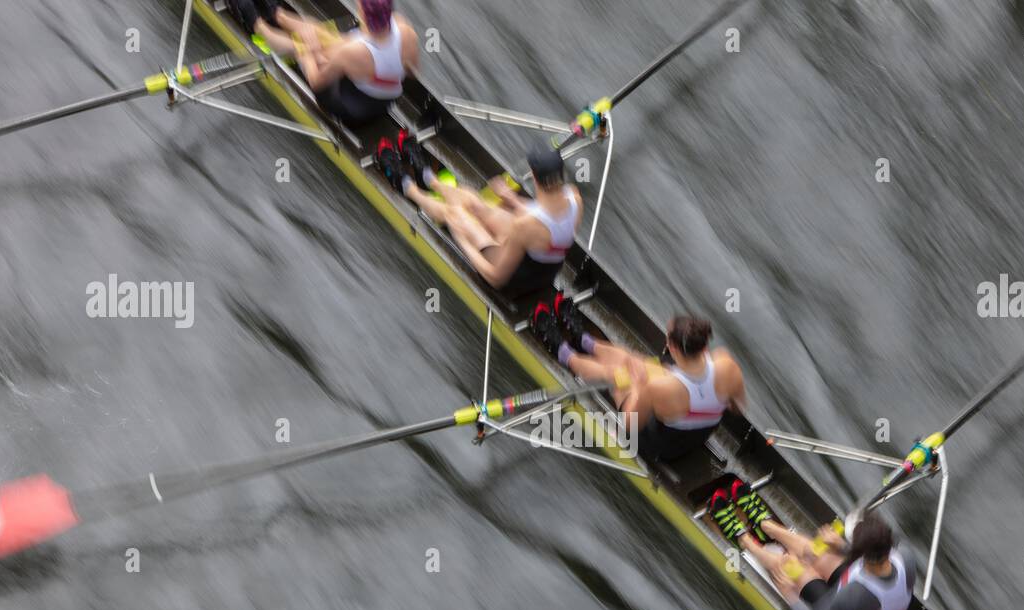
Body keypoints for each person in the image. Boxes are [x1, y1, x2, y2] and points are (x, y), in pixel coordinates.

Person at [531, 308, 746, 462]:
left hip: (663, 447)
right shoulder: (728, 365)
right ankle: (585, 340)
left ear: (672, 347)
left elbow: (629, 426)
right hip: (697, 431)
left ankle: (562, 351)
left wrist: (639, 386)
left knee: (616, 374)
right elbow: (737, 408)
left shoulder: (660, 388)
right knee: (633, 361)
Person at [383, 141, 582, 298]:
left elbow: (496, 278)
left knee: (455, 215)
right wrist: (511, 199)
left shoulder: (526, 226)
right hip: (541, 265)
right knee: (472, 200)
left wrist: (462, 240)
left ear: (534, 175)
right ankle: (430, 180)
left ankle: (408, 188)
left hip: (516, 279)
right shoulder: (574, 198)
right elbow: (547, 216)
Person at [712, 500, 915, 610]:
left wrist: (790, 595)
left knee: (793, 568)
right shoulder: (904, 555)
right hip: (866, 602)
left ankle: (745, 540)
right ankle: (768, 527)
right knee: (817, 552)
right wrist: (841, 548)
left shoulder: (854, 593)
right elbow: (862, 558)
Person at [228, 0, 419, 133]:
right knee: (317, 31)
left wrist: (308, 52)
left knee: (305, 49)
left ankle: (257, 24)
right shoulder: (405, 29)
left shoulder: (354, 52)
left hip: (351, 108)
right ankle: (278, 15)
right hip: (387, 99)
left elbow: (316, 82)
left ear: (362, 12)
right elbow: (410, 71)